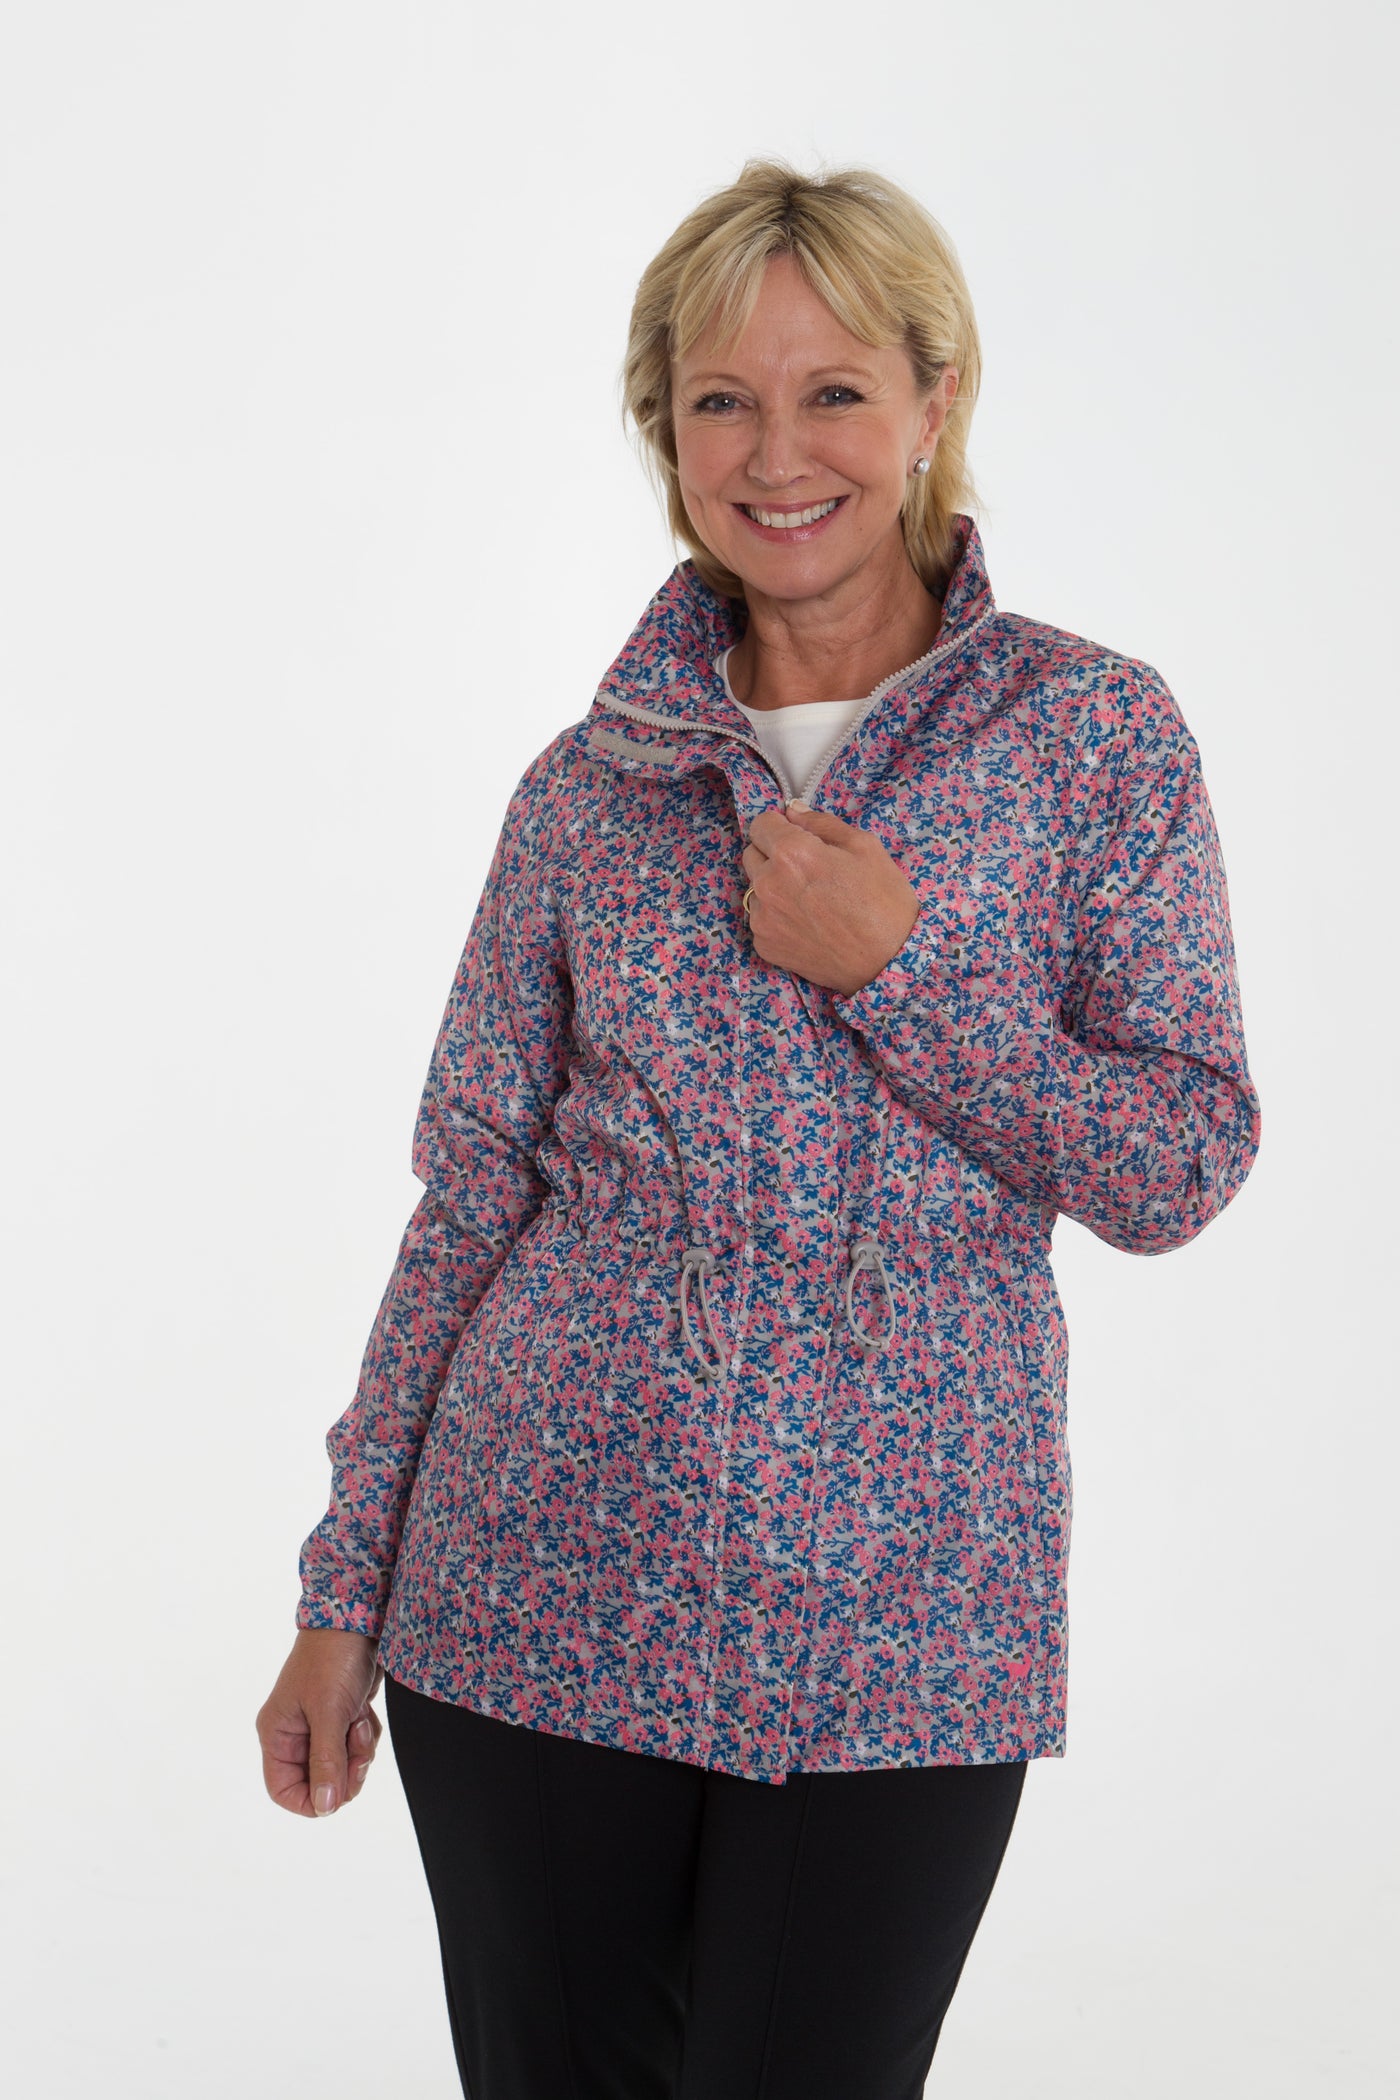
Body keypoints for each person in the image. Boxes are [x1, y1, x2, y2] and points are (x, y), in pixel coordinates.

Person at [256, 159, 1261, 2098]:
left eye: (834, 392)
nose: (777, 453)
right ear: (665, 430)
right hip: (532, 1586)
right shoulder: (587, 788)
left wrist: (904, 972)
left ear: (935, 401)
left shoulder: (1093, 740)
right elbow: (469, 1201)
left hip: (905, 1618)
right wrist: (339, 1596)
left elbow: (1180, 1163)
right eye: (721, 399)